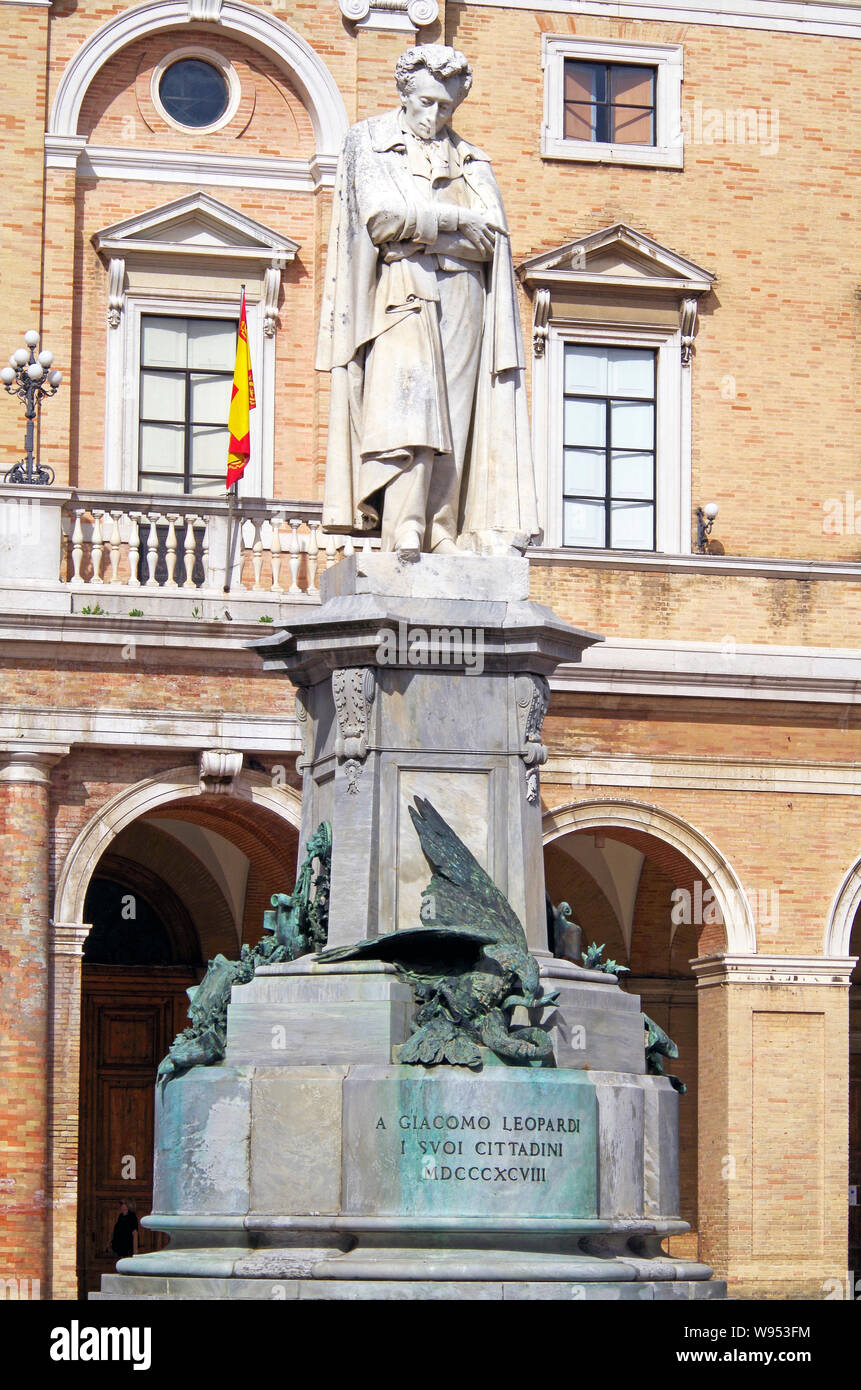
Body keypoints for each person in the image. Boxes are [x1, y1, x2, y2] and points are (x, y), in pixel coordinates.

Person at [316, 44, 539, 560]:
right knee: (406, 406)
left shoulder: (472, 160)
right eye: (426, 102)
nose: (435, 115)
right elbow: (378, 218)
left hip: (464, 294)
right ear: (404, 93)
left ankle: (441, 528)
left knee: (455, 415)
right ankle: (404, 527)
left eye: (446, 107)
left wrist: (422, 228)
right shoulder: (368, 142)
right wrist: (456, 221)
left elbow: (493, 239)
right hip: (401, 291)